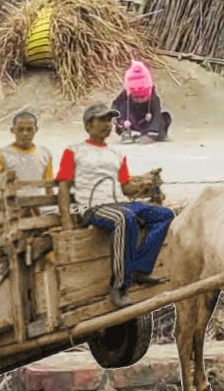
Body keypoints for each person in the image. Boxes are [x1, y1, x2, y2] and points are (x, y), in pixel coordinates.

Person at [56, 103, 175, 307]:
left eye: (109, 120)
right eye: (101, 120)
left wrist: (142, 185)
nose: (107, 124)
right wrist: (66, 219)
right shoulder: (74, 151)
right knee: (124, 218)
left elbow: (126, 187)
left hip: (118, 203)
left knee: (164, 215)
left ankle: (141, 268)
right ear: (88, 125)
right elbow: (64, 186)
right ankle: (119, 285)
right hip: (93, 207)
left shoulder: (117, 155)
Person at [0, 110, 53, 193]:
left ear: (36, 130)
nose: (25, 133)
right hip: (11, 204)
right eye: (20, 129)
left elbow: (49, 186)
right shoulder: (0, 154)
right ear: (12, 130)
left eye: (29, 129)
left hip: (38, 204)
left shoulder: (45, 154)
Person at [112, 60, 171, 143]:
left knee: (165, 117)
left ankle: (157, 134)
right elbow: (116, 104)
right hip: (133, 120)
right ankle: (125, 133)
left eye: (142, 97)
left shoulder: (153, 98)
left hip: (147, 122)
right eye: (136, 97)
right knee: (122, 107)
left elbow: (156, 115)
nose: (139, 100)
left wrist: (151, 132)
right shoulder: (127, 93)